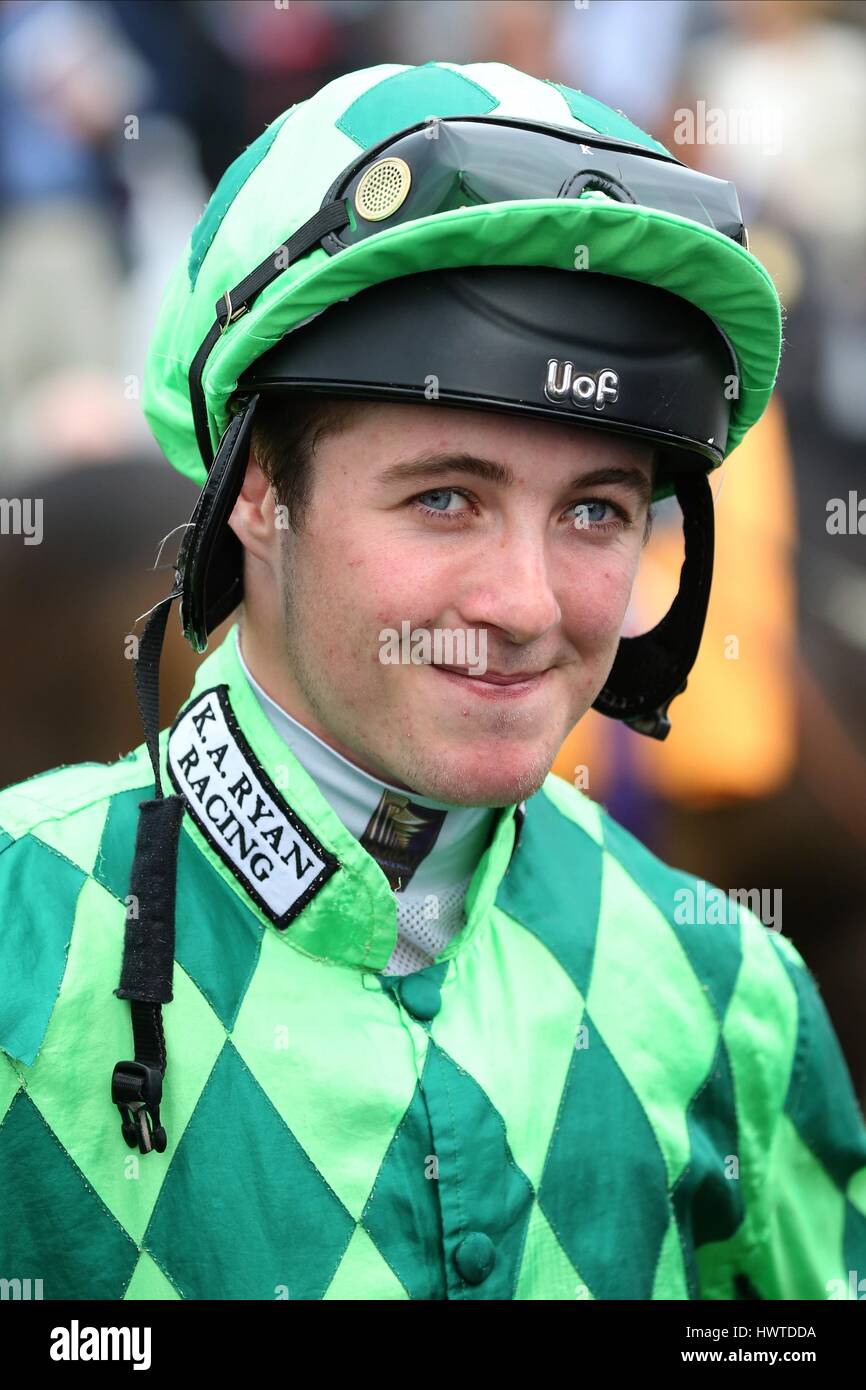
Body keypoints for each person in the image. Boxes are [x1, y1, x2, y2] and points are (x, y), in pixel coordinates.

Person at [1, 61, 864, 1303]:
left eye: (594, 511)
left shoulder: (732, 991)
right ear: (255, 491)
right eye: (444, 498)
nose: (524, 603)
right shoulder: (13, 942)